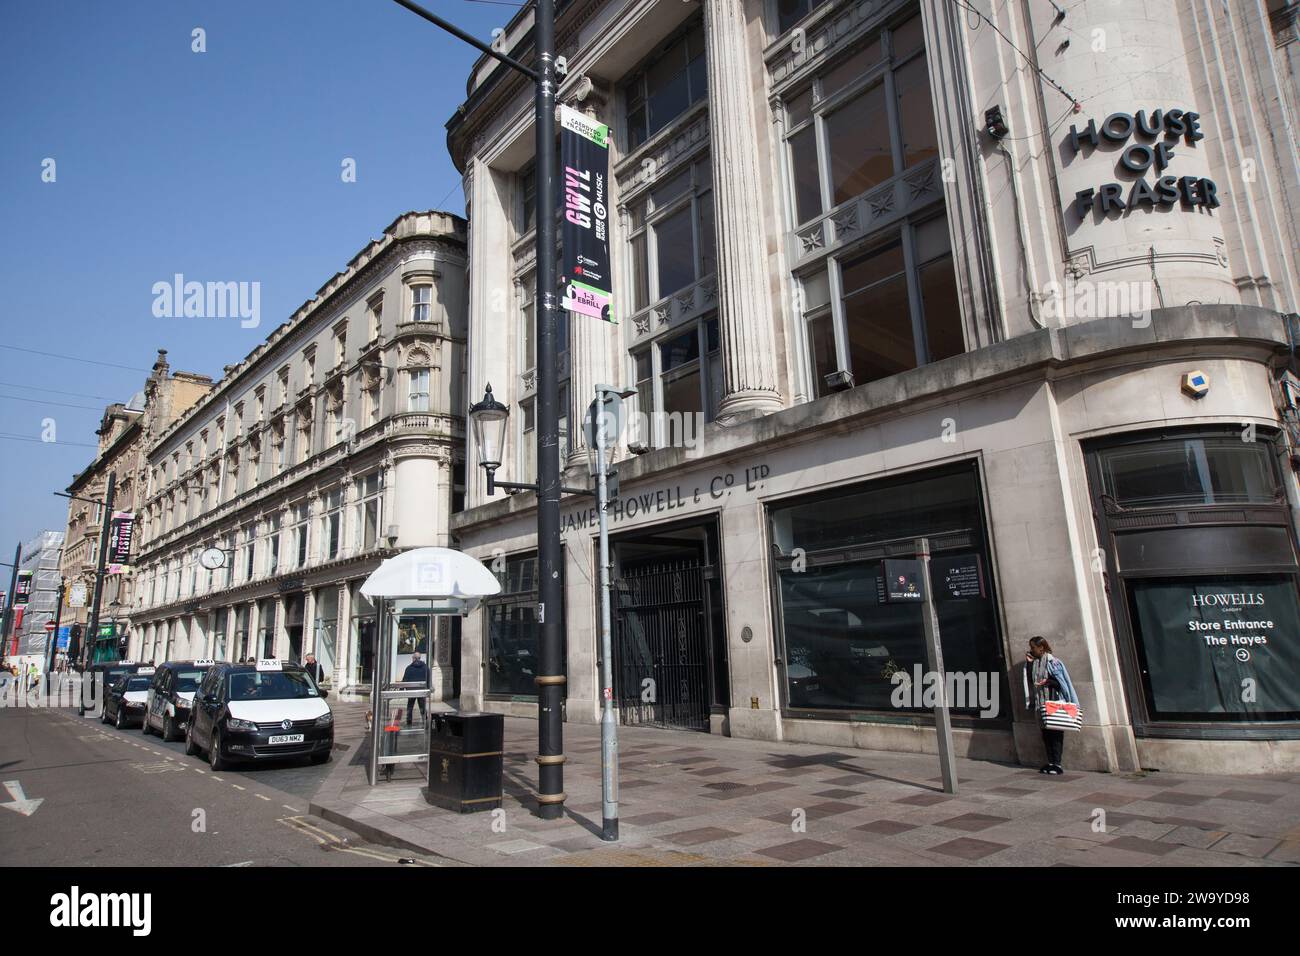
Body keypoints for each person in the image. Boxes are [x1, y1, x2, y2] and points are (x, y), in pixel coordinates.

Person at [1026, 636, 1078, 775]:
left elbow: (1062, 683)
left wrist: (1048, 682)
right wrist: (1029, 663)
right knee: (1046, 734)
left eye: (1033, 647)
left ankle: (1057, 764)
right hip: (1041, 703)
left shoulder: (1053, 662)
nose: (1031, 650)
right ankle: (1050, 762)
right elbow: (1031, 681)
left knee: (1055, 733)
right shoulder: (1035, 663)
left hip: (1053, 703)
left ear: (1041, 647)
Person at [402, 652, 429, 727]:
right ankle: (425, 720)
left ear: (413, 658)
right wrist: (428, 688)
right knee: (422, 706)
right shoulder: (425, 667)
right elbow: (428, 678)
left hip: (411, 691)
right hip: (421, 690)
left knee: (410, 706)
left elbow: (405, 679)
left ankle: (409, 721)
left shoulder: (409, 668)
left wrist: (401, 689)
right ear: (420, 658)